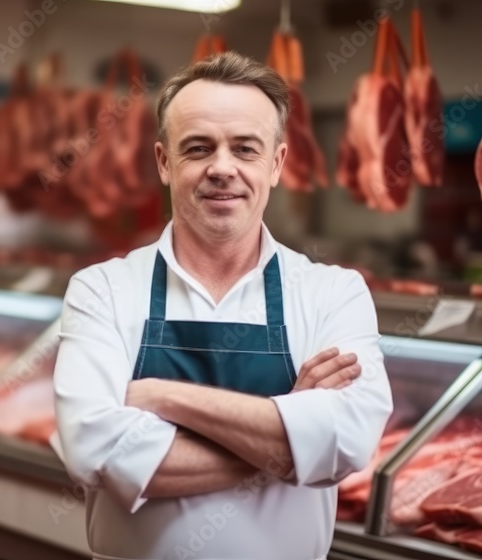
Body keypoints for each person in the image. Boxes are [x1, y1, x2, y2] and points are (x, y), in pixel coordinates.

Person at [53, 52, 393, 560]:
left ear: (275, 164)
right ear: (165, 163)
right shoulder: (102, 289)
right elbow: (96, 453)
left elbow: (345, 444)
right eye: (198, 148)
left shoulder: (332, 292)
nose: (222, 168)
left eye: (245, 149)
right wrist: (291, 435)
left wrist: (161, 397)